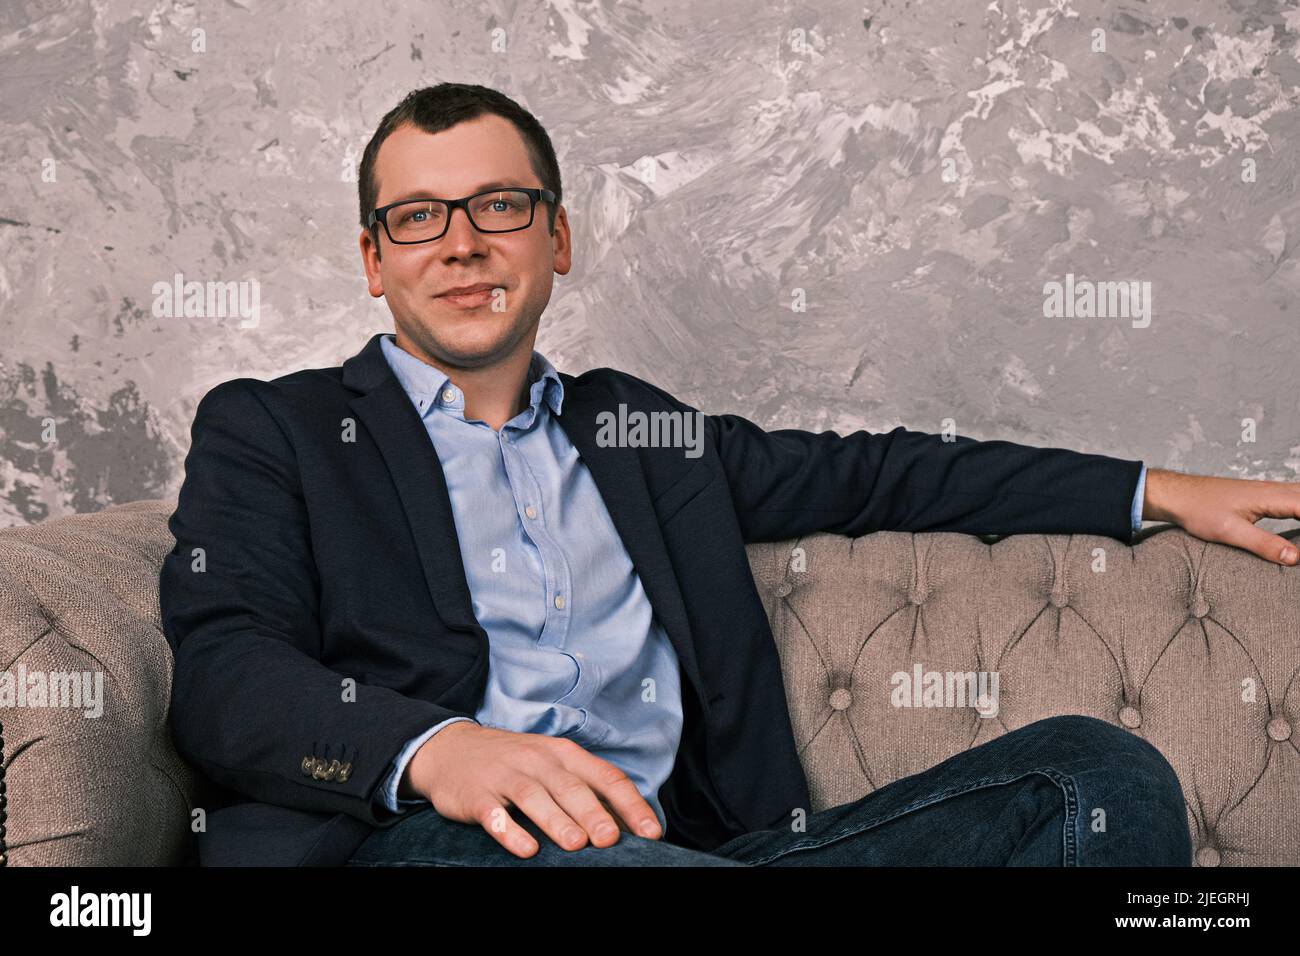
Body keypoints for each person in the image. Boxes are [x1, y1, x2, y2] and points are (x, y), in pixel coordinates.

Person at [159, 83, 1298, 867]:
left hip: (698, 847)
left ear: (556, 237)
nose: (461, 242)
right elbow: (223, 674)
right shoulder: (282, 429)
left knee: (1093, 774)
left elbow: (889, 477)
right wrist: (435, 751)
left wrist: (1157, 489)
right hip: (435, 845)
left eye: (499, 205)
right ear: (374, 260)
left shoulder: (641, 435)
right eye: (417, 217)